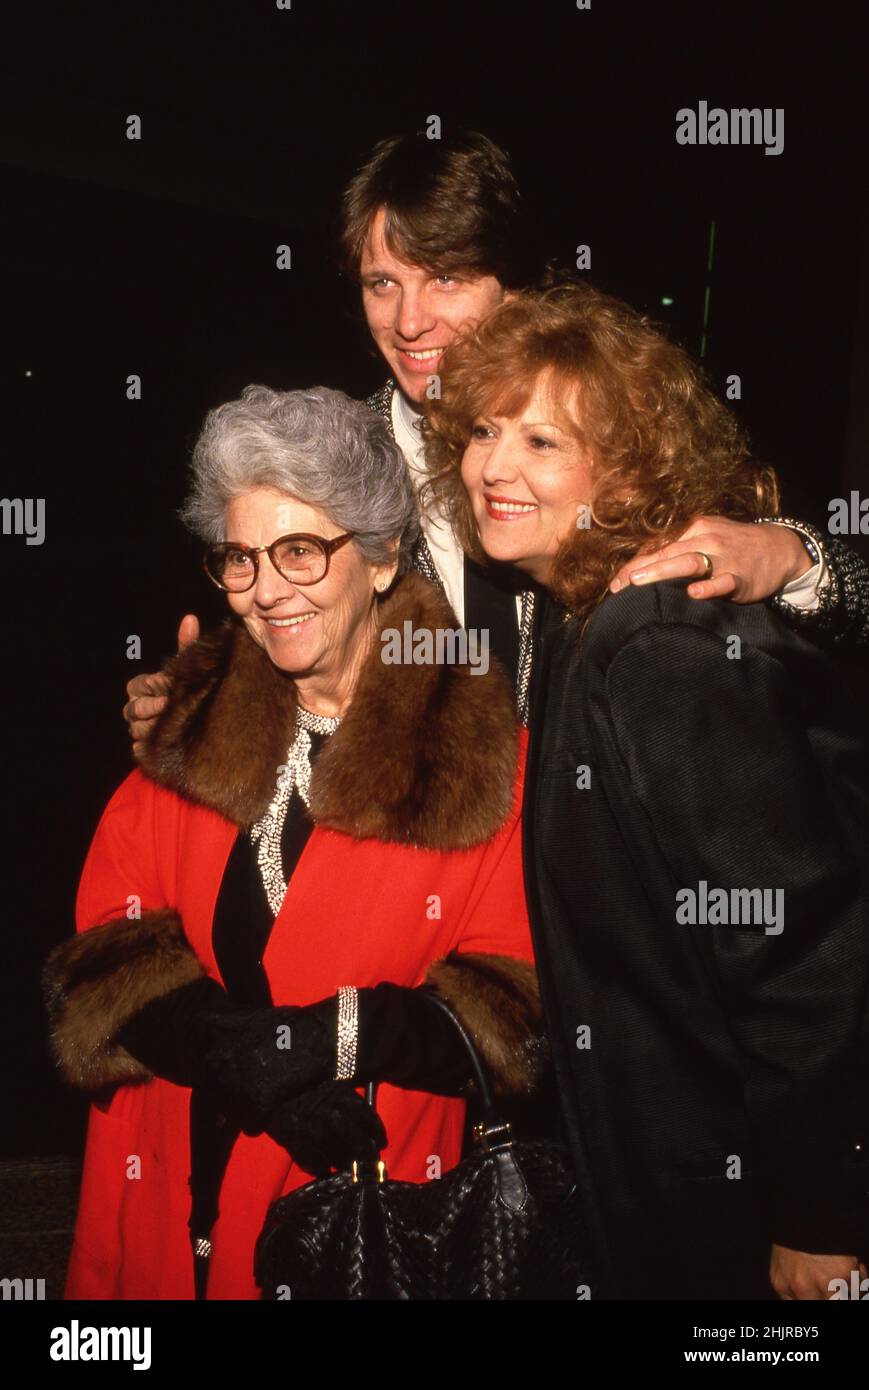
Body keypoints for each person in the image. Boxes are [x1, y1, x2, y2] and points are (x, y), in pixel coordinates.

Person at [123, 130, 869, 750]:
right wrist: (202, 707)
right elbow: (295, 633)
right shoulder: (334, 460)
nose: (408, 321)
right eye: (382, 283)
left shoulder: (606, 420)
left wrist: (791, 557)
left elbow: (844, 614)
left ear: (512, 286)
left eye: (445, 278)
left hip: (589, 864)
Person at [43, 385, 541, 1301]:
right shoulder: (190, 720)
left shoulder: (478, 765)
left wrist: (331, 1042)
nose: (266, 590)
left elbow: (517, 1009)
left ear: (384, 557)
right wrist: (231, 1048)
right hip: (167, 1174)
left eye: (301, 551)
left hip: (360, 1206)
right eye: (240, 557)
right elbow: (104, 943)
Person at [424, 283, 869, 1300]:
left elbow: (797, 950)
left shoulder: (661, 641)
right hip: (675, 1181)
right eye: (485, 429)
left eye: (542, 441)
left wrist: (818, 1209)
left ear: (622, 473)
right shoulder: (590, 620)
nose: (493, 465)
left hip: (744, 1206)